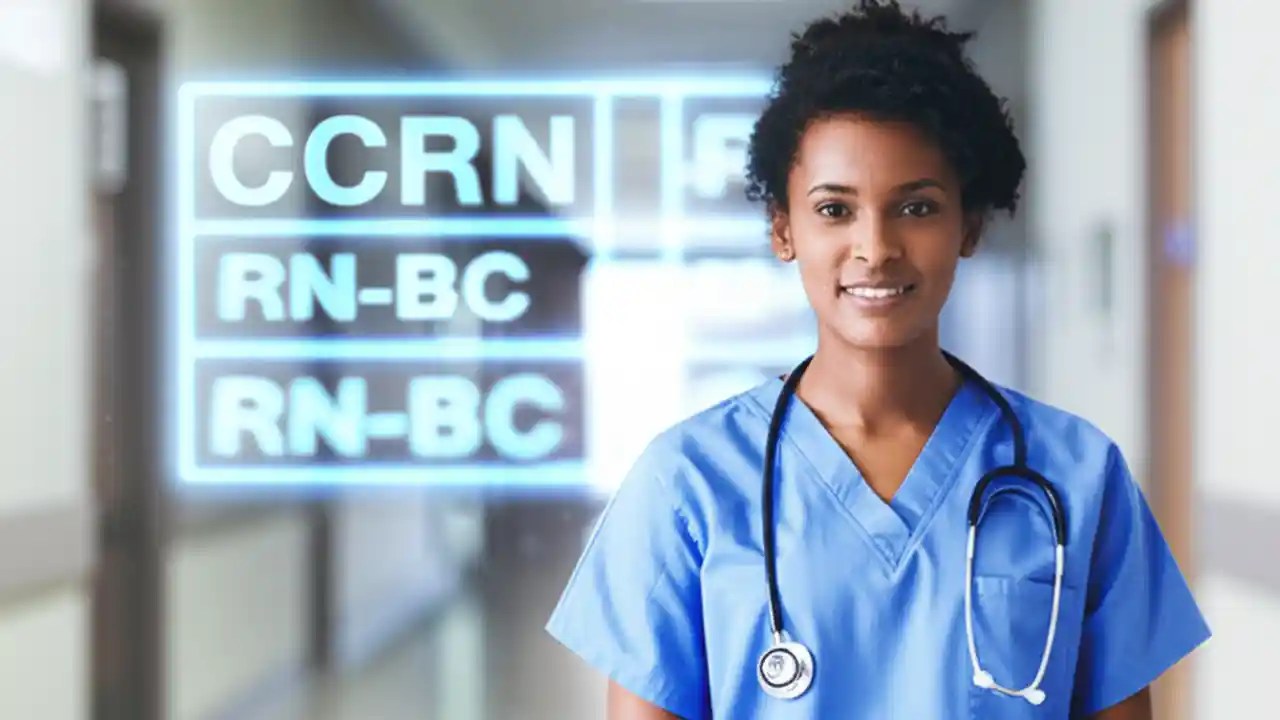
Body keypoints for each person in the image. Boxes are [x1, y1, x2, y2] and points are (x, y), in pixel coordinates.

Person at [545, 1, 1210, 717]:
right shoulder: (689, 484)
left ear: (969, 226)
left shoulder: (1077, 475)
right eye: (835, 210)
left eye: (916, 207)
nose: (876, 248)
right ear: (783, 229)